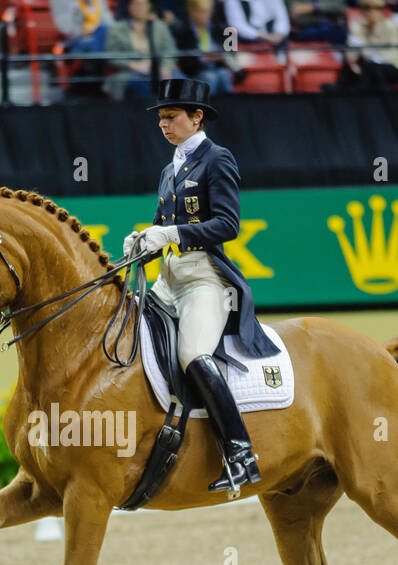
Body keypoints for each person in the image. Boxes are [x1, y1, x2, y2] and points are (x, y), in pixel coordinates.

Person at [122, 78, 282, 496]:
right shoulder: (168, 169)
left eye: (171, 117)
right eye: (160, 118)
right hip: (167, 280)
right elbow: (164, 229)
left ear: (197, 117)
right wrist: (145, 242)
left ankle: (241, 453)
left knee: (193, 352)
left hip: (203, 279)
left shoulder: (217, 159)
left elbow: (228, 225)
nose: (164, 124)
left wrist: (170, 233)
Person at [103, 0, 179, 100]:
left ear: (148, 6)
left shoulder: (160, 26)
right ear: (129, 6)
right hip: (129, 72)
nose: (140, 7)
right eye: (136, 4)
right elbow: (111, 55)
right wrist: (133, 65)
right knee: (145, 84)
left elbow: (171, 50)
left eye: (143, 4)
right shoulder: (117, 28)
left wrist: (166, 67)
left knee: (181, 82)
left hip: (160, 70)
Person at [339, 0, 398, 88]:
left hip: (394, 67)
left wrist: (371, 56)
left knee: (373, 69)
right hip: (366, 68)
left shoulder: (390, 26)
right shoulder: (357, 27)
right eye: (366, 8)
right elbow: (351, 57)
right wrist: (356, 39)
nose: (370, 12)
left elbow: (394, 54)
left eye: (375, 8)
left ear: (381, 10)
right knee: (359, 70)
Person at [172, 0, 240, 95]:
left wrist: (222, 58)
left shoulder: (219, 28)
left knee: (224, 74)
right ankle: (205, 108)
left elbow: (231, 54)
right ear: (191, 12)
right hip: (193, 72)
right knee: (209, 77)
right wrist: (203, 59)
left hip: (217, 69)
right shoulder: (181, 30)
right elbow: (184, 61)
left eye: (209, 11)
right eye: (202, 11)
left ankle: (229, 107)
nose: (206, 15)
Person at [222, 0, 289, 49]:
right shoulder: (232, 2)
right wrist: (261, 36)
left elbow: (282, 18)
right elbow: (237, 25)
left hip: (273, 35)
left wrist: (279, 34)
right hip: (248, 39)